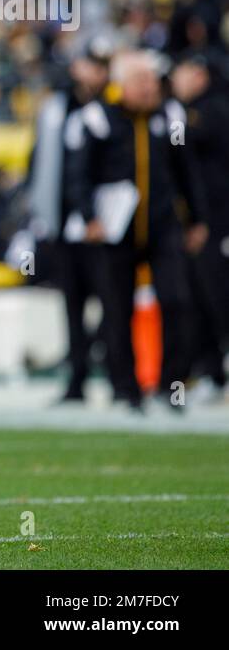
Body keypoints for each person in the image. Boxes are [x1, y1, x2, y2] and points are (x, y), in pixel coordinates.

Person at [63, 49, 209, 409]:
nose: (148, 88)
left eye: (151, 80)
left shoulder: (169, 117)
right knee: (117, 309)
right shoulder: (99, 118)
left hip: (162, 225)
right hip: (116, 227)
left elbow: (187, 172)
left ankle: (171, 385)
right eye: (140, 80)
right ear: (121, 84)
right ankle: (124, 388)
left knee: (177, 301)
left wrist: (196, 219)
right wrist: (88, 216)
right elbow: (78, 174)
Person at [26, 37, 113, 401]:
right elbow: (41, 164)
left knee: (113, 299)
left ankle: (117, 374)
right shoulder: (55, 108)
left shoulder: (112, 110)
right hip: (63, 222)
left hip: (105, 225)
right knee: (73, 303)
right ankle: (77, 376)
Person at [169, 51, 229, 399]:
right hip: (203, 222)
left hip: (217, 222)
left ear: (200, 75)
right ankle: (211, 371)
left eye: (182, 72)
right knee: (202, 296)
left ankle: (214, 368)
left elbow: (180, 143)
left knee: (215, 294)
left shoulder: (212, 110)